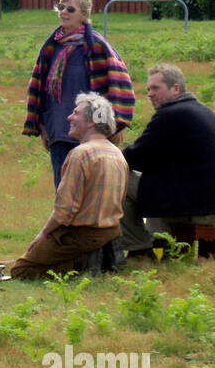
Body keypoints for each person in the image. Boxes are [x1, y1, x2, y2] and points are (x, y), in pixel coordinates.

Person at [21, 0, 134, 188]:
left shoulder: (97, 46)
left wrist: (115, 124)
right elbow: (39, 89)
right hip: (59, 131)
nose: (63, 12)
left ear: (84, 15)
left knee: (91, 192)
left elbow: (119, 85)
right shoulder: (51, 47)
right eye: (61, 7)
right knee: (64, 192)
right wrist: (42, 125)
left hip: (91, 133)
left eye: (70, 9)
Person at [116, 63, 215, 254]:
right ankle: (157, 242)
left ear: (175, 89)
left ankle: (139, 248)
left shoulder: (171, 115)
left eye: (155, 88)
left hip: (193, 207)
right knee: (153, 184)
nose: (149, 94)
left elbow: (132, 158)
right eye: (148, 89)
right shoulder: (204, 112)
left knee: (116, 175)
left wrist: (105, 155)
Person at [10, 92, 128, 280]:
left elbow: (65, 210)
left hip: (81, 236)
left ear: (91, 121)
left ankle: (81, 266)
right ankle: (98, 260)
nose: (69, 117)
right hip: (111, 232)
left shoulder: (80, 155)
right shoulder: (117, 154)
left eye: (76, 113)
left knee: (21, 270)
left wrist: (42, 235)